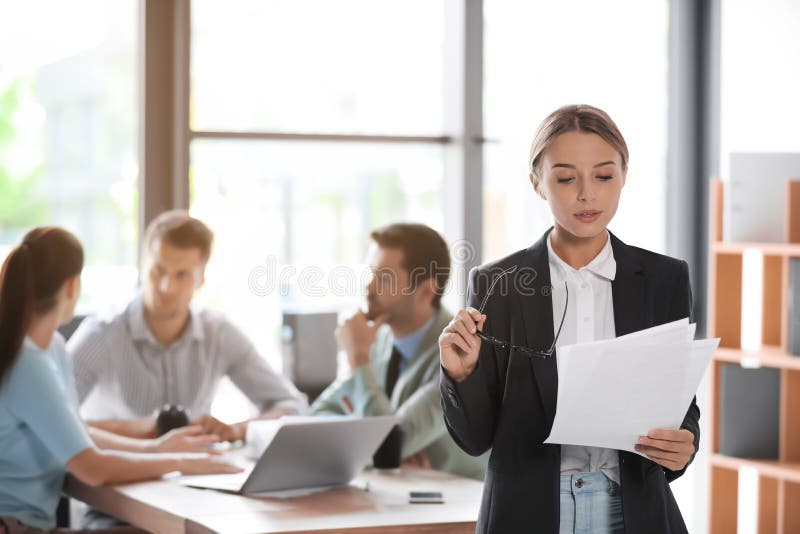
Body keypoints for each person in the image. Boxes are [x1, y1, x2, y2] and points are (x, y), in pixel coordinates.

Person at [439, 105, 700, 533]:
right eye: (565, 178)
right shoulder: (497, 283)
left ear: (624, 175)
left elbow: (679, 403)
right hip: (529, 514)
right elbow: (473, 439)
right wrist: (460, 373)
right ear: (537, 183)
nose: (587, 194)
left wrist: (683, 445)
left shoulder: (665, 279)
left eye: (603, 176)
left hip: (634, 509)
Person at [68, 211, 307, 529]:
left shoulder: (218, 334)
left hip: (196, 499)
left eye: (182, 275)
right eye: (158, 270)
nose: (165, 285)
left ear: (201, 278)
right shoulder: (101, 334)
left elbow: (291, 406)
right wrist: (143, 430)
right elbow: (56, 423)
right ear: (143, 265)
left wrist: (238, 429)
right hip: (115, 506)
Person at [0, 227, 240, 534]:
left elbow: (77, 435)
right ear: (73, 285)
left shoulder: (53, 348)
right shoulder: (27, 362)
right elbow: (91, 467)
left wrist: (158, 450)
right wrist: (181, 461)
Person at [312, 223, 487, 480]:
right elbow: (319, 415)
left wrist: (359, 360)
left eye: (384, 278)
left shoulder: (460, 353)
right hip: (399, 496)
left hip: (455, 509)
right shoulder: (378, 339)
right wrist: (375, 446)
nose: (369, 287)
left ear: (427, 291)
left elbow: (387, 447)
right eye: (371, 274)